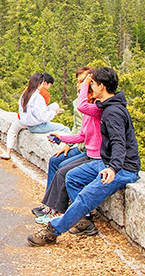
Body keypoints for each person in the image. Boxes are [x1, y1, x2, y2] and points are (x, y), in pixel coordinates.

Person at [27, 67, 140, 246]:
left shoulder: (113, 112)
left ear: (102, 86)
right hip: (108, 162)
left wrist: (113, 168)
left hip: (123, 168)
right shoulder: (107, 106)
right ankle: (83, 222)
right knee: (71, 177)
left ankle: (52, 231)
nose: (89, 87)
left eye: (92, 84)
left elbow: (119, 143)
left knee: (86, 196)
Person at [34, 72, 102, 225]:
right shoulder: (88, 111)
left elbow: (82, 107)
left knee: (65, 172)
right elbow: (81, 134)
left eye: (83, 85)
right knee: (59, 165)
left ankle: (61, 211)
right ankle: (51, 206)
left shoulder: (95, 109)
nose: (80, 89)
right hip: (88, 151)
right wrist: (61, 139)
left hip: (94, 155)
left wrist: (85, 85)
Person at [0, 73, 60, 160]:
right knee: (56, 109)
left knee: (12, 131)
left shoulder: (27, 90)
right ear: (44, 83)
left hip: (22, 119)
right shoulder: (44, 94)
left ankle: (8, 152)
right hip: (33, 122)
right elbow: (41, 113)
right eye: (49, 85)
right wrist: (54, 113)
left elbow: (20, 103)